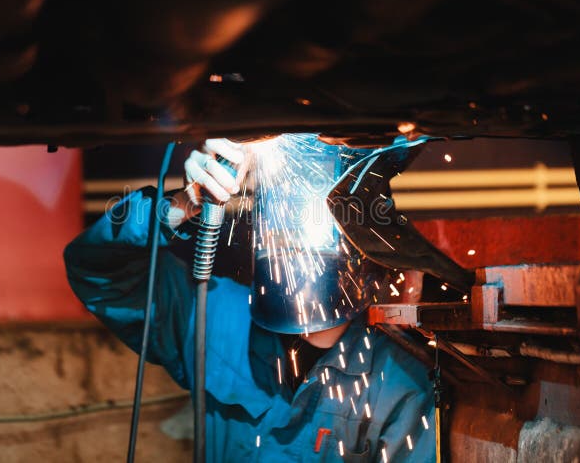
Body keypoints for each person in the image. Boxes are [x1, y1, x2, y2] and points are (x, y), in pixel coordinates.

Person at [64, 138, 436, 462]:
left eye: (308, 224)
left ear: (360, 247)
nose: (292, 242)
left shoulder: (399, 388)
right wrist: (183, 203)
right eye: (282, 224)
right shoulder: (217, 318)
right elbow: (95, 271)